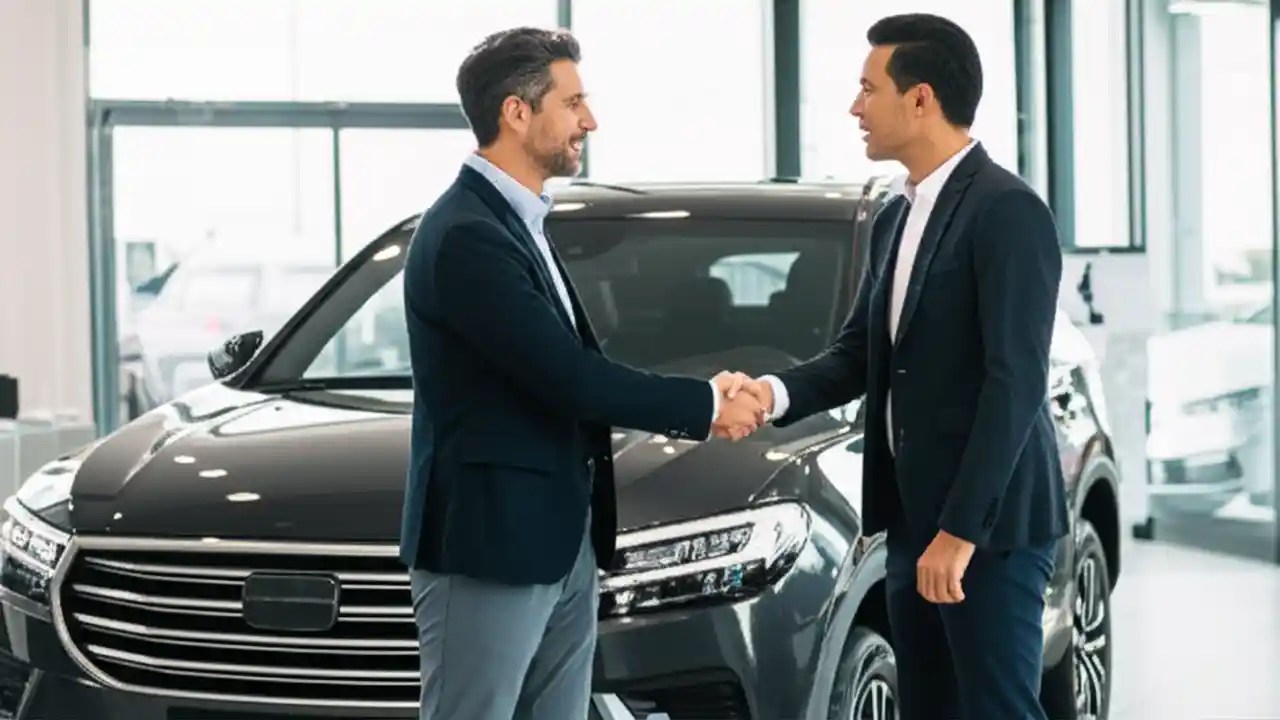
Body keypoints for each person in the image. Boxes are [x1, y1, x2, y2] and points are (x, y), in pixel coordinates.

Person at [397, 27, 765, 720]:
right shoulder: (467, 236)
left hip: (556, 540)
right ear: (516, 112)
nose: (588, 121)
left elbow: (576, 372)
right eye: (573, 103)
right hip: (491, 546)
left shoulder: (519, 222)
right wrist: (705, 405)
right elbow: (567, 377)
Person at [737, 13, 1068, 720]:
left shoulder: (1007, 211)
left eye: (868, 88)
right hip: (915, 522)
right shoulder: (896, 216)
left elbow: (1014, 382)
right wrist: (766, 393)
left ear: (920, 98)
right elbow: (859, 356)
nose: (856, 108)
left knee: (997, 709)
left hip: (988, 529)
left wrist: (961, 533)